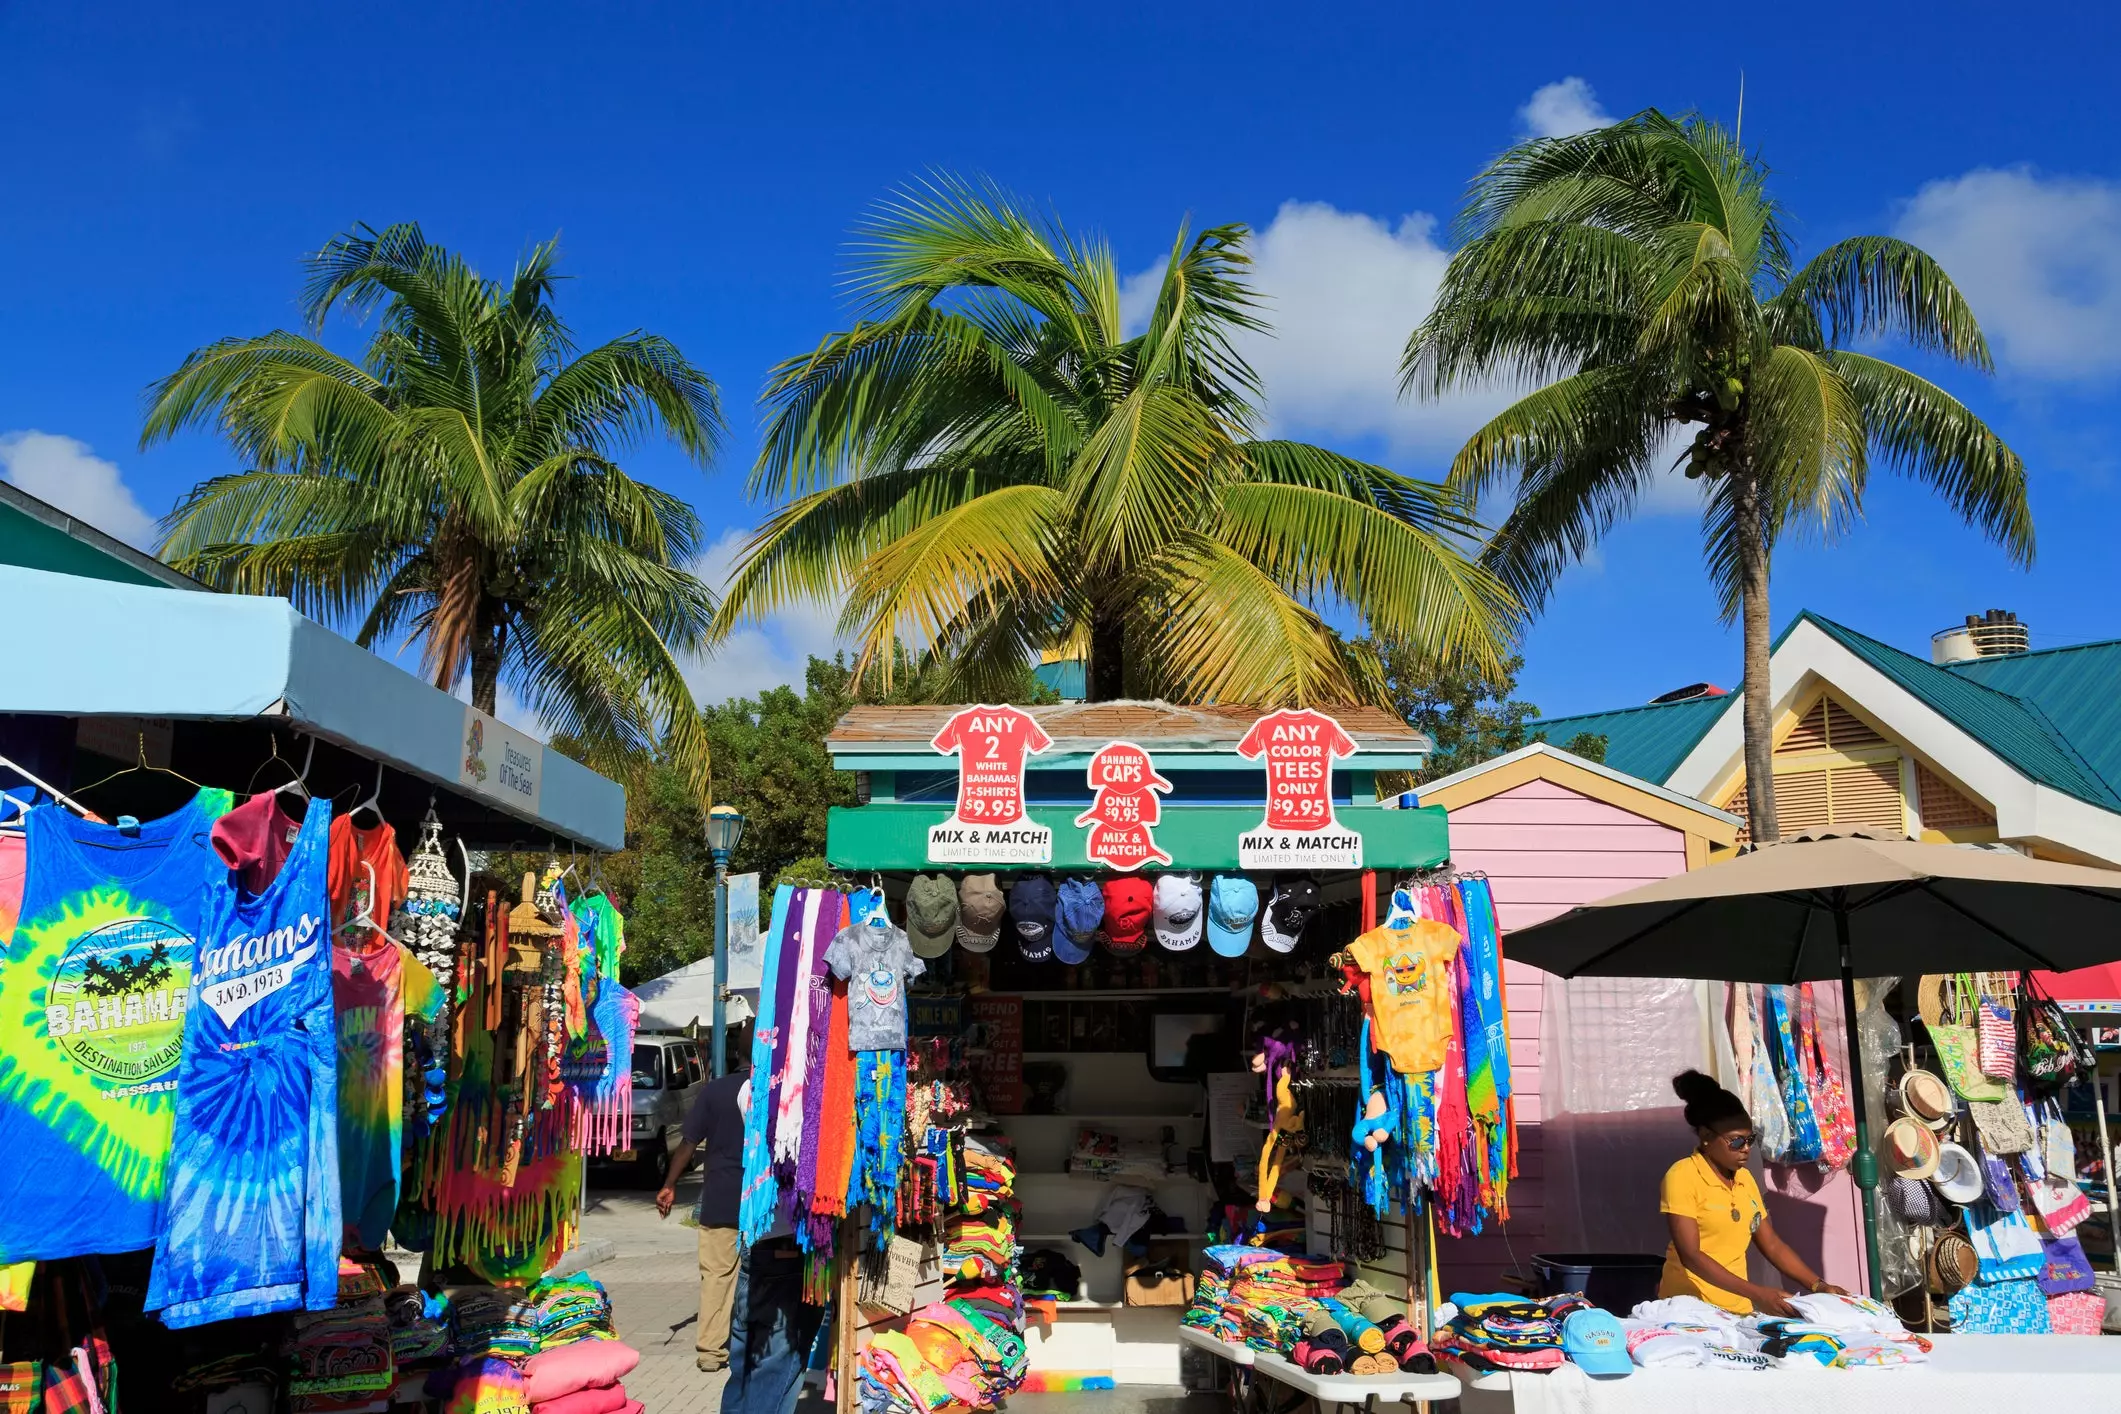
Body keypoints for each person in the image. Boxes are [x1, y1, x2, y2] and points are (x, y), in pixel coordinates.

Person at [1659, 1070, 1845, 1317]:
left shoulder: (1745, 1179)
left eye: (1750, 1140)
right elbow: (1691, 1256)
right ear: (1706, 1136)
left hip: (1737, 1311)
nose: (1745, 1149)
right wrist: (1758, 1294)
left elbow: (1771, 1243)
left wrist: (1818, 1284)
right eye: (1736, 1142)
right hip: (1689, 1310)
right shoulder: (1682, 1175)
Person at [658, 1058, 749, 1374]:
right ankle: (750, 1343)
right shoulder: (775, 1087)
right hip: (764, 1203)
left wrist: (669, 1184)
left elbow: (688, 1143)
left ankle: (711, 1352)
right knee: (760, 1275)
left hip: (721, 1197)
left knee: (716, 1275)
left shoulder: (715, 1091)